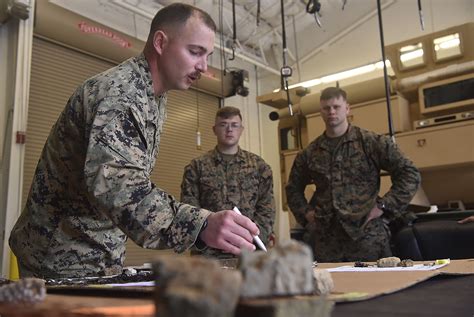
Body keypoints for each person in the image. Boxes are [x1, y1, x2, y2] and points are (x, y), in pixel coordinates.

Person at [9, 3, 260, 279]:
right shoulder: (122, 95)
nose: (203, 66)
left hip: (91, 255)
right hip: (61, 257)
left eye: (207, 55)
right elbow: (119, 187)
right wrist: (201, 225)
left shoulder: (153, 96)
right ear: (161, 43)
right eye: (195, 52)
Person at [286, 87, 421, 262]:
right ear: (321, 112)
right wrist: (306, 214)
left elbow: (409, 173)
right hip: (327, 240)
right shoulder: (311, 152)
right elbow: (292, 188)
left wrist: (384, 206)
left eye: (336, 106)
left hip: (367, 236)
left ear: (347, 109)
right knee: (333, 287)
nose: (331, 112)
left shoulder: (370, 143)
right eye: (326, 108)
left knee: (376, 286)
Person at [180, 106, 275, 259]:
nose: (229, 129)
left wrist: (254, 238)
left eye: (234, 125)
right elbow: (190, 209)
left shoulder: (259, 166)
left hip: (249, 252)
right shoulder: (197, 167)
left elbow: (267, 209)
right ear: (214, 129)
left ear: (242, 129)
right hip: (208, 254)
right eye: (223, 125)